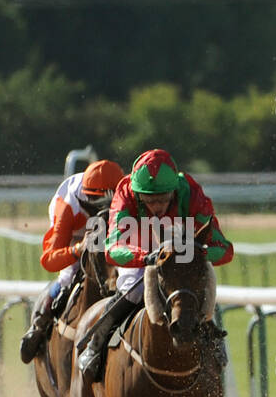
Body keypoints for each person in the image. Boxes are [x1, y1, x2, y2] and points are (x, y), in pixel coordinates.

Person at [76, 148, 233, 382]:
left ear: (174, 191)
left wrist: (198, 253)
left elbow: (225, 249)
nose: (157, 206)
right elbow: (112, 250)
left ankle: (212, 337)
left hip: (181, 250)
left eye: (163, 199)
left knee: (201, 278)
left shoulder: (190, 192)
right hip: (141, 249)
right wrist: (144, 257)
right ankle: (96, 344)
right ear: (138, 193)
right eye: (150, 199)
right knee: (134, 287)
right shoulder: (125, 192)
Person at [19, 159, 124, 362]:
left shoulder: (125, 194)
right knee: (69, 275)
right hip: (76, 232)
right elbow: (49, 259)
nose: (104, 211)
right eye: (99, 206)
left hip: (111, 232)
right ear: (88, 201)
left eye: (110, 206)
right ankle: (40, 324)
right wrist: (78, 248)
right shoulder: (67, 205)